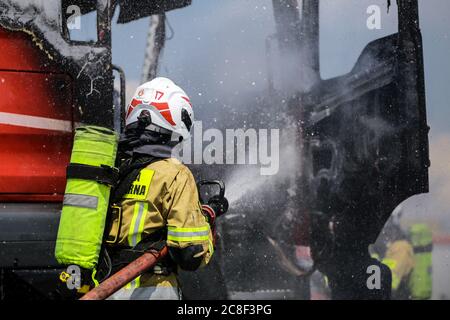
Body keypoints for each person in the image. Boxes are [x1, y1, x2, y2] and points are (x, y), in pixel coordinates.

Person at [104, 77, 218, 300]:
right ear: (175, 122)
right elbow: (190, 255)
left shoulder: (112, 170)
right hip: (152, 293)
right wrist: (208, 229)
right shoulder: (175, 175)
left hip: (107, 289)